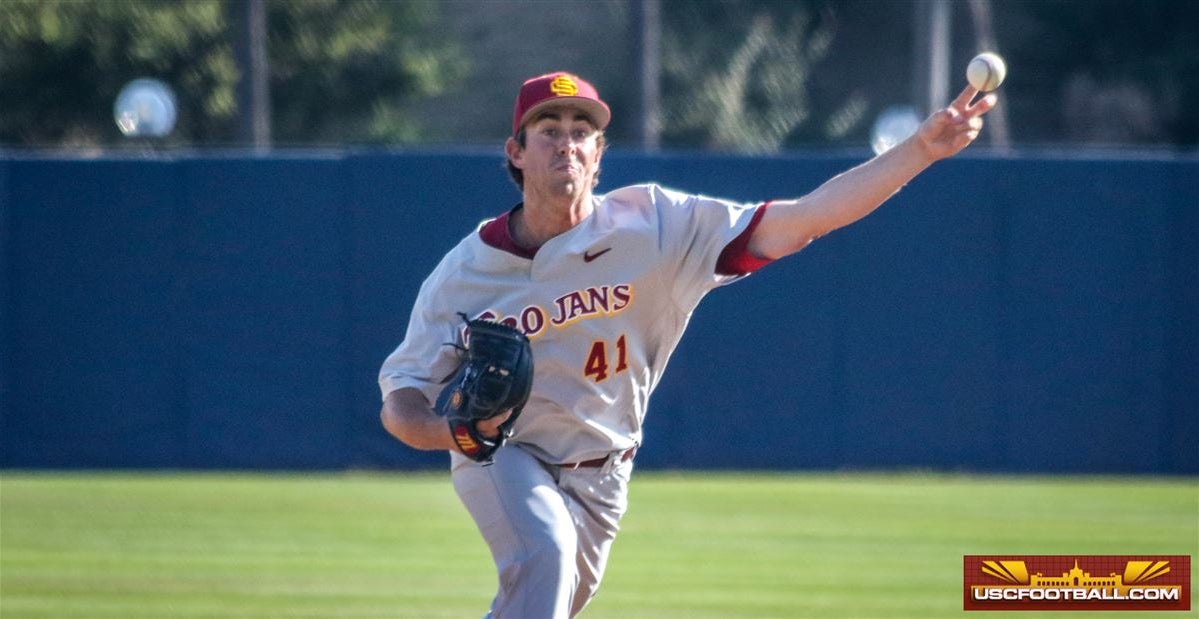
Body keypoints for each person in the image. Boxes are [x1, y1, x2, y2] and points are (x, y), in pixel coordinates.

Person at [379, 71, 996, 618]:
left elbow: (807, 217)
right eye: (548, 128)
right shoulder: (467, 271)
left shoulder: (656, 226)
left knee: (547, 598)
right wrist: (454, 433)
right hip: (506, 454)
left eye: (582, 130)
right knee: (547, 555)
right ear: (516, 153)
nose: (567, 140)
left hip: (604, 470)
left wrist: (920, 150)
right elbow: (401, 397)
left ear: (599, 157)